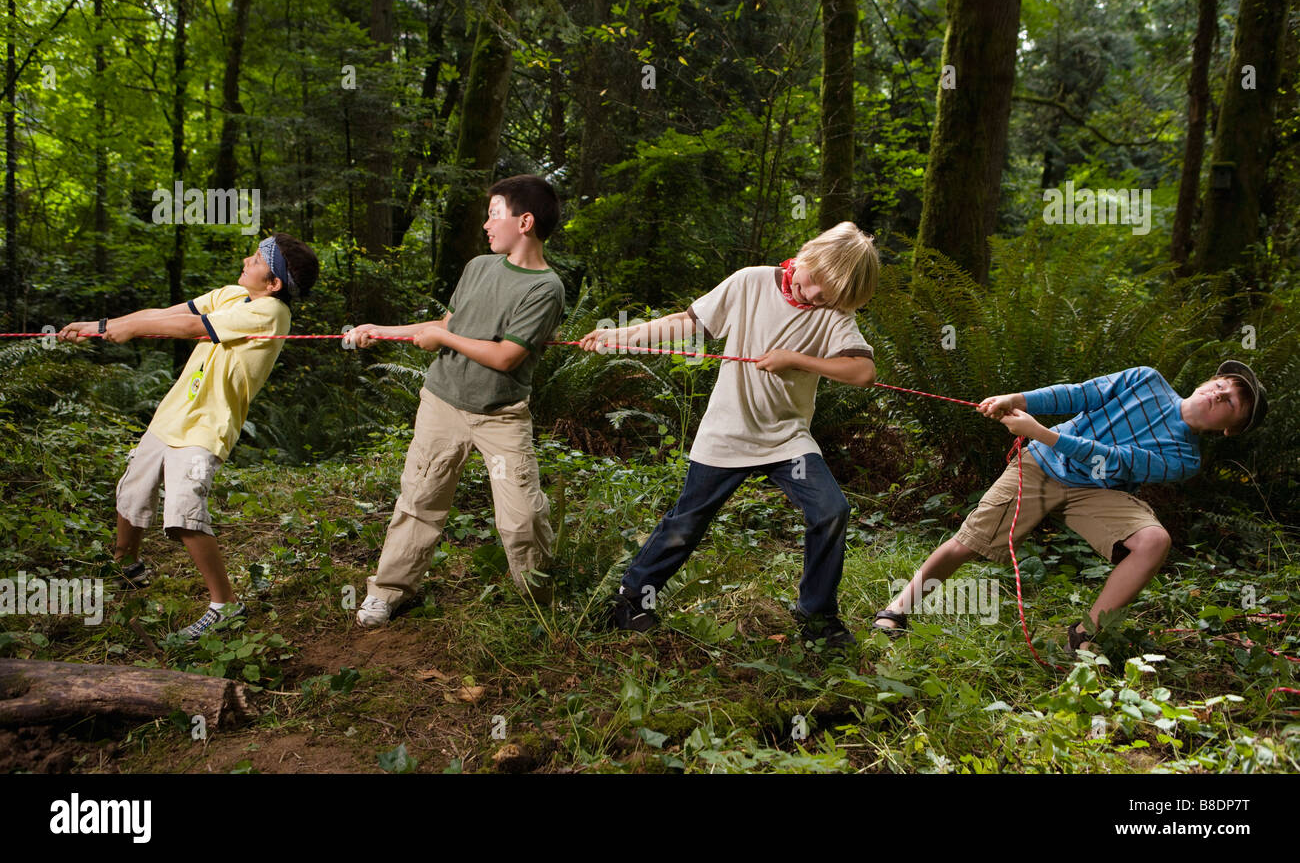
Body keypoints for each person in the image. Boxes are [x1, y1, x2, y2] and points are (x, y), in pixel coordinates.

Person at [582, 222, 880, 649]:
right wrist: (619, 335)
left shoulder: (834, 314)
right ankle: (631, 601)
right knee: (687, 522)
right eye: (818, 284)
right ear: (809, 256)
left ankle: (817, 618)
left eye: (829, 296)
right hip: (728, 434)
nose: (817, 298)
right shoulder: (750, 282)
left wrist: (796, 360)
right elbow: (684, 324)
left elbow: (863, 371)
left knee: (831, 510)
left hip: (787, 440)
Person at [873, 362, 1268, 652]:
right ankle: (896, 611)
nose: (1218, 393)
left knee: (1153, 541)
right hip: (1042, 464)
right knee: (968, 543)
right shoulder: (1145, 380)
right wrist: (1017, 400)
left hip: (1094, 489)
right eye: (1219, 383)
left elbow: (1115, 459)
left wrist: (1039, 432)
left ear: (1229, 428)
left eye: (1231, 401)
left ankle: (1083, 636)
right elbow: (1081, 393)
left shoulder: (1185, 458)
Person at [58, 234, 319, 640]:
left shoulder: (271, 313)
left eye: (256, 260)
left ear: (274, 284)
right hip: (174, 413)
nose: (246, 260)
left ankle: (224, 604)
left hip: (206, 426)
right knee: (133, 489)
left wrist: (129, 330)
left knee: (183, 509)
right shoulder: (234, 294)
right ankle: (125, 565)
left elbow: (187, 326)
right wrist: (104, 326)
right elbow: (168, 311)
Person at [348, 175, 566, 626]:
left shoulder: (546, 288)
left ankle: (539, 602)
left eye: (494, 213)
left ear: (524, 222)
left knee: (522, 516)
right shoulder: (478, 267)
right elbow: (446, 323)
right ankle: (387, 592)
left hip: (500, 417)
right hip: (442, 403)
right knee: (419, 499)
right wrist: (383, 331)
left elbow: (506, 356)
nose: (487, 223)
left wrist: (444, 336)